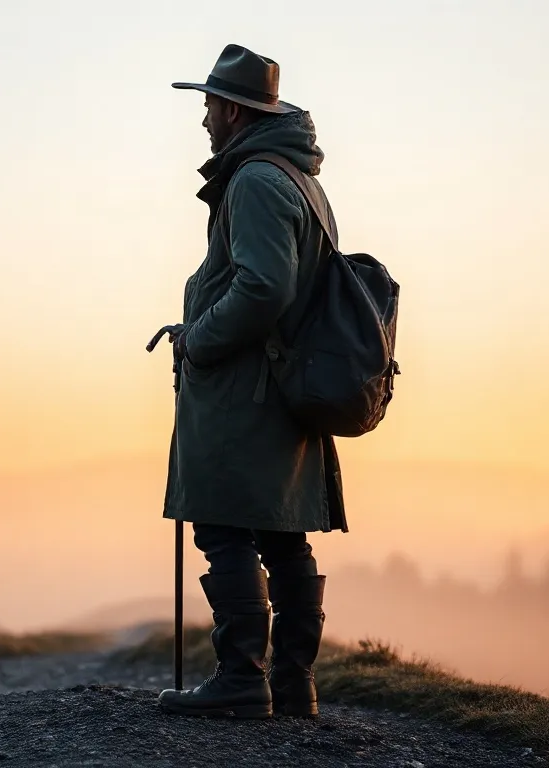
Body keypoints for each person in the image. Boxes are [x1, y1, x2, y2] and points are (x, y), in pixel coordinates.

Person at [157, 44, 347, 720]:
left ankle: (242, 680)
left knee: (225, 529)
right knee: (279, 533)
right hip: (279, 385)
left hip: (247, 389)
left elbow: (265, 286)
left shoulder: (257, 181)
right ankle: (291, 686)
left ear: (232, 110)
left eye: (209, 105)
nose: (204, 118)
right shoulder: (296, 178)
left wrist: (200, 338)